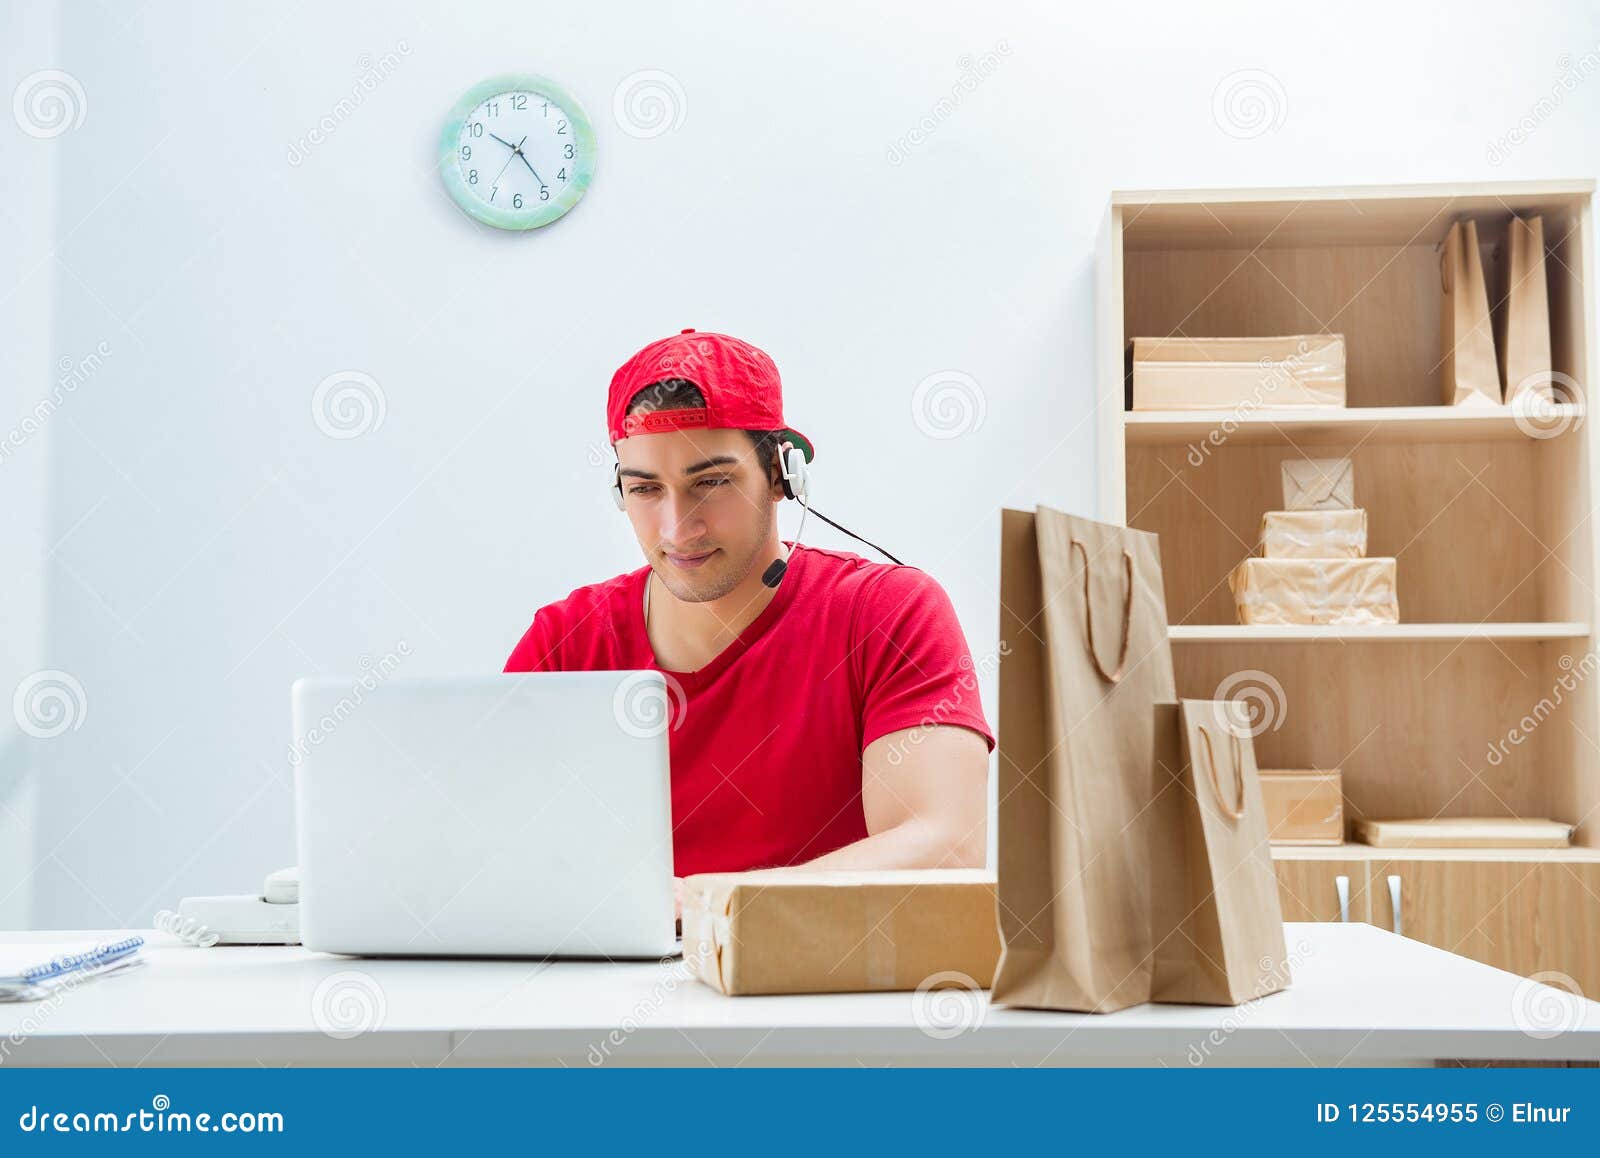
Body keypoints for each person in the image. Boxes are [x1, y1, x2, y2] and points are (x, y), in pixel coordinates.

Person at [504, 329, 993, 914]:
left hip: (809, 991)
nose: (676, 527)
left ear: (784, 476)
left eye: (710, 482)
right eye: (645, 489)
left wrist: (713, 902)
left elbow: (945, 851)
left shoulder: (888, 612)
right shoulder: (566, 641)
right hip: (606, 992)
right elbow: (495, 853)